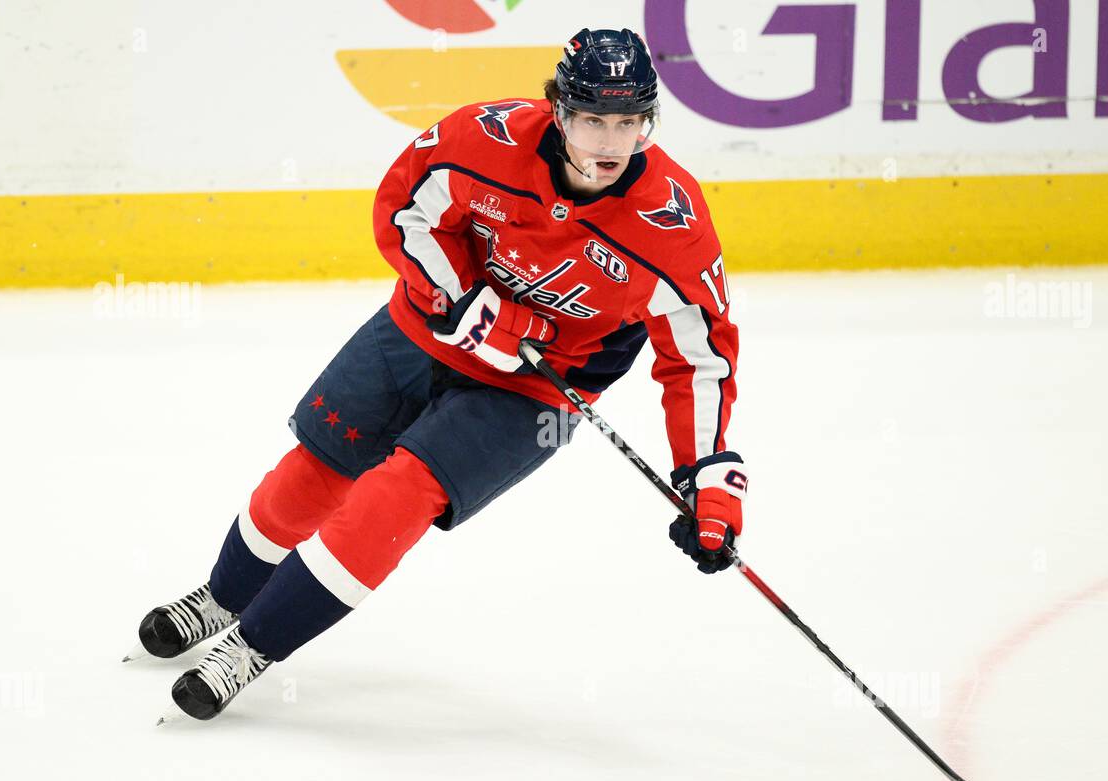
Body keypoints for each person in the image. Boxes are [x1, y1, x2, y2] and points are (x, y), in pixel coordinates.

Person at [130, 27, 748, 721]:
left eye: (628, 123)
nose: (609, 144)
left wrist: (708, 475)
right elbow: (402, 211)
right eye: (592, 120)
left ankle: (252, 646)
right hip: (423, 329)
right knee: (318, 468)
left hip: (538, 387)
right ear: (559, 110)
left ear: (647, 123)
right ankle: (222, 597)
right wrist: (464, 301)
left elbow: (699, 359)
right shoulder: (483, 138)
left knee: (397, 496)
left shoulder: (673, 224)